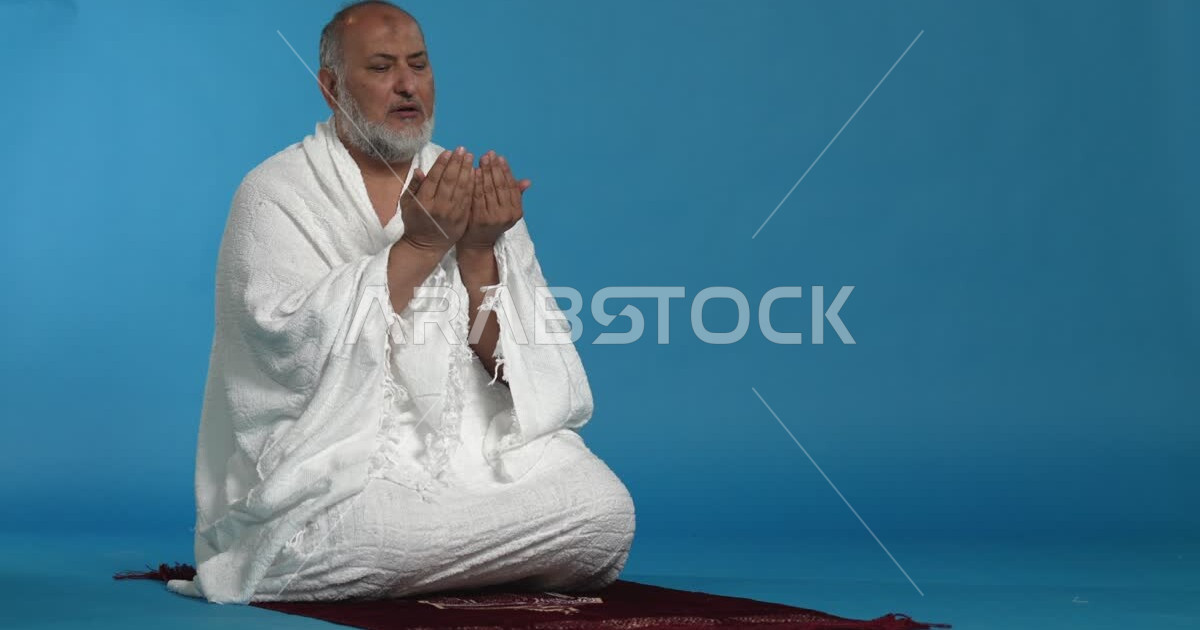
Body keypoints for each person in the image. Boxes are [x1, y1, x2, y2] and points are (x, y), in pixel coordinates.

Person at [166, 0, 635, 604]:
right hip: (348, 467)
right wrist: (418, 246)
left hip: (473, 453)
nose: (408, 85)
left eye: (418, 64)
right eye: (382, 67)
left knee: (604, 512)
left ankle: (444, 557)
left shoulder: (462, 185)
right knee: (373, 537)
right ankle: (493, 556)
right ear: (331, 87)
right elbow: (286, 357)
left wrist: (478, 251)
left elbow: (520, 374)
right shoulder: (275, 194)